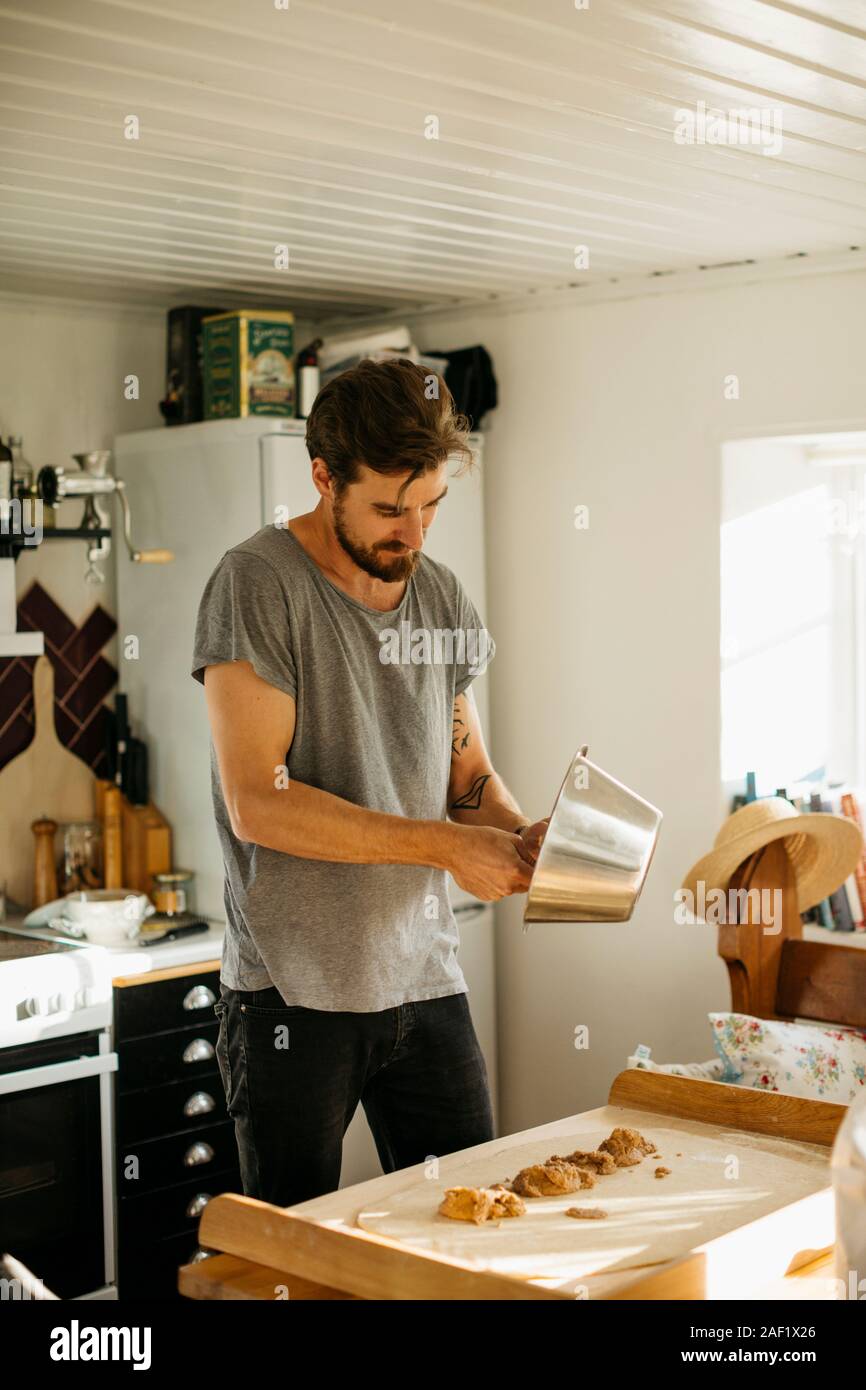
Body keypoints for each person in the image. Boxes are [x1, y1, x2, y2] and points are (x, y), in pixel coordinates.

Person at [191, 357, 547, 1206]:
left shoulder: (440, 598)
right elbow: (259, 803)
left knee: (474, 1227)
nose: (415, 536)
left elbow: (468, 779)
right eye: (391, 510)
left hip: (425, 975)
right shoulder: (257, 584)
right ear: (324, 479)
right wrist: (448, 849)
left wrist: (523, 838)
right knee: (289, 1248)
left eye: (431, 506)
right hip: (290, 992)